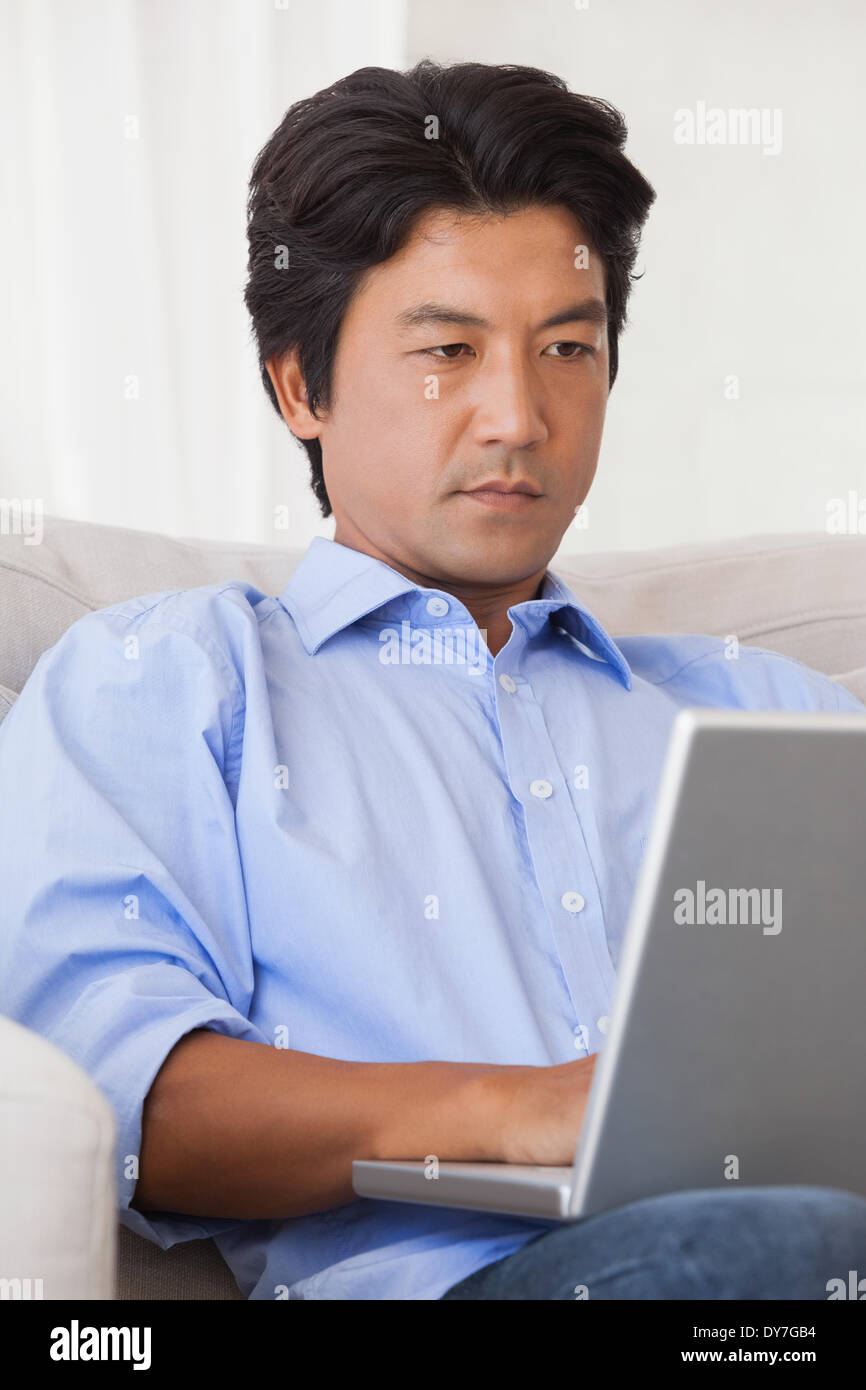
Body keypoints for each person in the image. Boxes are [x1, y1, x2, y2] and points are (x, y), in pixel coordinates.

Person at [1, 59, 865, 1302]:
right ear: (300, 385)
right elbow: (111, 1102)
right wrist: (519, 1115)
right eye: (447, 350)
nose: (516, 414)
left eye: (566, 347)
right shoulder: (172, 680)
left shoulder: (772, 710)